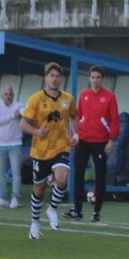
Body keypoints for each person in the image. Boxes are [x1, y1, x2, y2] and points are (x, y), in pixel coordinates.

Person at [20, 62, 78, 240]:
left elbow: (74, 116)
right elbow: (23, 124)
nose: (54, 79)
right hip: (40, 151)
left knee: (62, 178)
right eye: (51, 76)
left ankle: (52, 208)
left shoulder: (68, 99)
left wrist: (75, 134)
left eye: (57, 76)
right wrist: (37, 131)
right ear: (46, 78)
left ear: (61, 79)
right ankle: (35, 222)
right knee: (39, 188)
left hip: (61, 146)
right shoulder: (36, 99)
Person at [68, 66, 120, 222]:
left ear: (102, 79)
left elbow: (115, 121)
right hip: (83, 140)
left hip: (101, 142)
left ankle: (96, 212)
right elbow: (78, 117)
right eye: (93, 77)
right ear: (89, 78)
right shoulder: (84, 95)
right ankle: (77, 210)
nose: (95, 80)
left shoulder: (109, 97)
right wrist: (74, 136)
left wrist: (112, 140)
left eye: (98, 77)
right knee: (78, 174)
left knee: (100, 176)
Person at [0, 86, 25, 209]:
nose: (8, 96)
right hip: (0, 143)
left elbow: (23, 112)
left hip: (15, 143)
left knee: (16, 172)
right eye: (6, 94)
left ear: (13, 95)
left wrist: (20, 113)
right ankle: (2, 198)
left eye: (10, 94)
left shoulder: (19, 105)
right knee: (0, 173)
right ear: (2, 96)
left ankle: (15, 198)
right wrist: (12, 116)